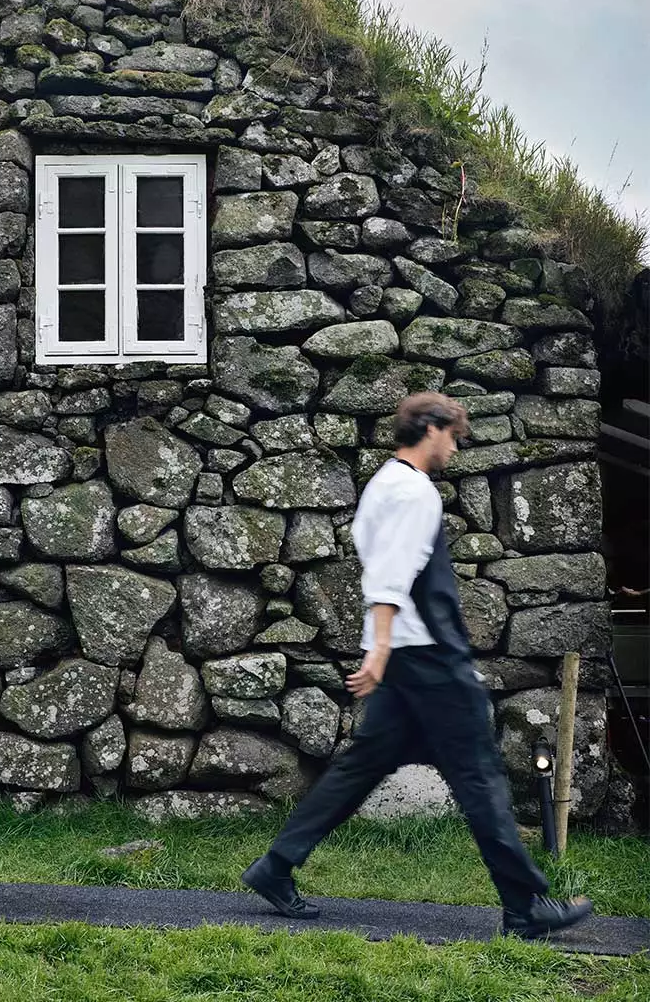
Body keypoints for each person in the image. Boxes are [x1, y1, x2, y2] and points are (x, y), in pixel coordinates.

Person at [240, 392, 593, 939]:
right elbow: (389, 576)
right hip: (427, 659)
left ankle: (275, 865)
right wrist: (379, 648)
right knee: (479, 776)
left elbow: (376, 563)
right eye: (453, 436)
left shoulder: (381, 485)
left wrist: (383, 648)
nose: (455, 447)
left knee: (359, 769)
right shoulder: (414, 494)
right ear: (430, 429)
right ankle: (525, 908)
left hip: (405, 659)